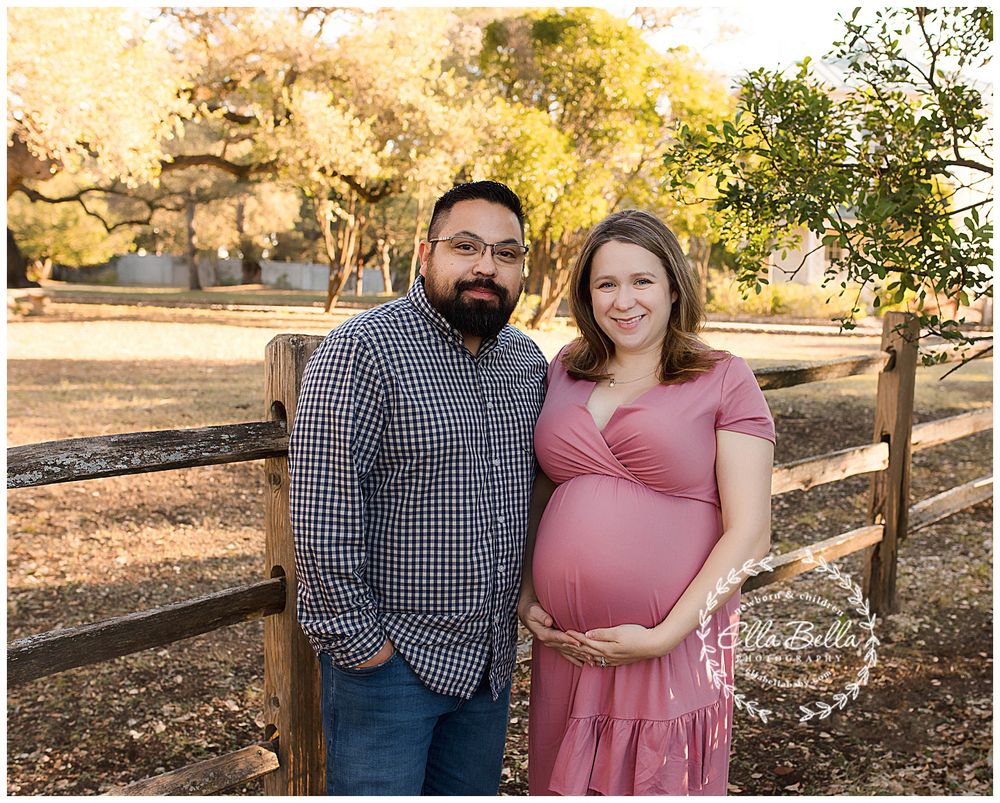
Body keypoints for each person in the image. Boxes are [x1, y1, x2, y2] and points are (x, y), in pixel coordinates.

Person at [288, 180, 547, 795]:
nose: (486, 266)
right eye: (466, 246)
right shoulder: (362, 349)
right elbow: (323, 512)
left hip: (487, 665)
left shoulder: (527, 364)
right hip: (390, 667)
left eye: (506, 253)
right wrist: (365, 648)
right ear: (425, 254)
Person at [518, 210, 775, 795]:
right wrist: (529, 592)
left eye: (642, 281)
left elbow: (751, 533)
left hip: (668, 644)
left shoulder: (724, 378)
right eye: (606, 284)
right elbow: (547, 487)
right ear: (587, 295)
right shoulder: (565, 369)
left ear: (673, 286)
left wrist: (663, 635)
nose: (623, 300)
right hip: (568, 648)